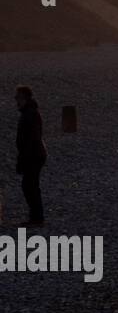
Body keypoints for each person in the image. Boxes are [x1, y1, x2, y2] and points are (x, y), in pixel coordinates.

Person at [14, 86, 47, 227]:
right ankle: (36, 217)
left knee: (29, 186)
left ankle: (37, 218)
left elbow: (32, 139)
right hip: (35, 154)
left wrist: (23, 159)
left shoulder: (30, 114)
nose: (16, 100)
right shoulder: (29, 112)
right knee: (30, 185)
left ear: (25, 98)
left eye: (18, 97)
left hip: (34, 155)